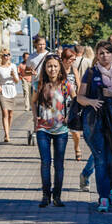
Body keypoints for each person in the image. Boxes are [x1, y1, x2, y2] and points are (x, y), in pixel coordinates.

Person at [76, 40, 112, 212]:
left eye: (107, 52)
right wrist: (91, 101)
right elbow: (79, 97)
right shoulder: (90, 73)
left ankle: (111, 188)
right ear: (97, 56)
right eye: (101, 53)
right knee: (101, 159)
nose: (104, 56)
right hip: (94, 120)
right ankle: (103, 197)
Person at [32, 54, 71, 207]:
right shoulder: (38, 84)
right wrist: (35, 118)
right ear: (45, 68)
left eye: (55, 66)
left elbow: (75, 100)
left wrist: (71, 115)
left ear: (60, 67)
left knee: (59, 164)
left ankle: (57, 196)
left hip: (62, 129)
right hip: (43, 129)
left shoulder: (66, 84)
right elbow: (33, 102)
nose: (52, 69)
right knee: (45, 162)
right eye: (49, 66)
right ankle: (45, 195)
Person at [0, 48, 22, 143]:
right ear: (1, 57)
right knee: (5, 113)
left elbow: (17, 80)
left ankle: (8, 131)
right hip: (2, 90)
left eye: (9, 54)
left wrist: (13, 75)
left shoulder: (13, 66)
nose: (7, 56)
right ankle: (6, 134)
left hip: (12, 90)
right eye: (5, 55)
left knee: (10, 114)